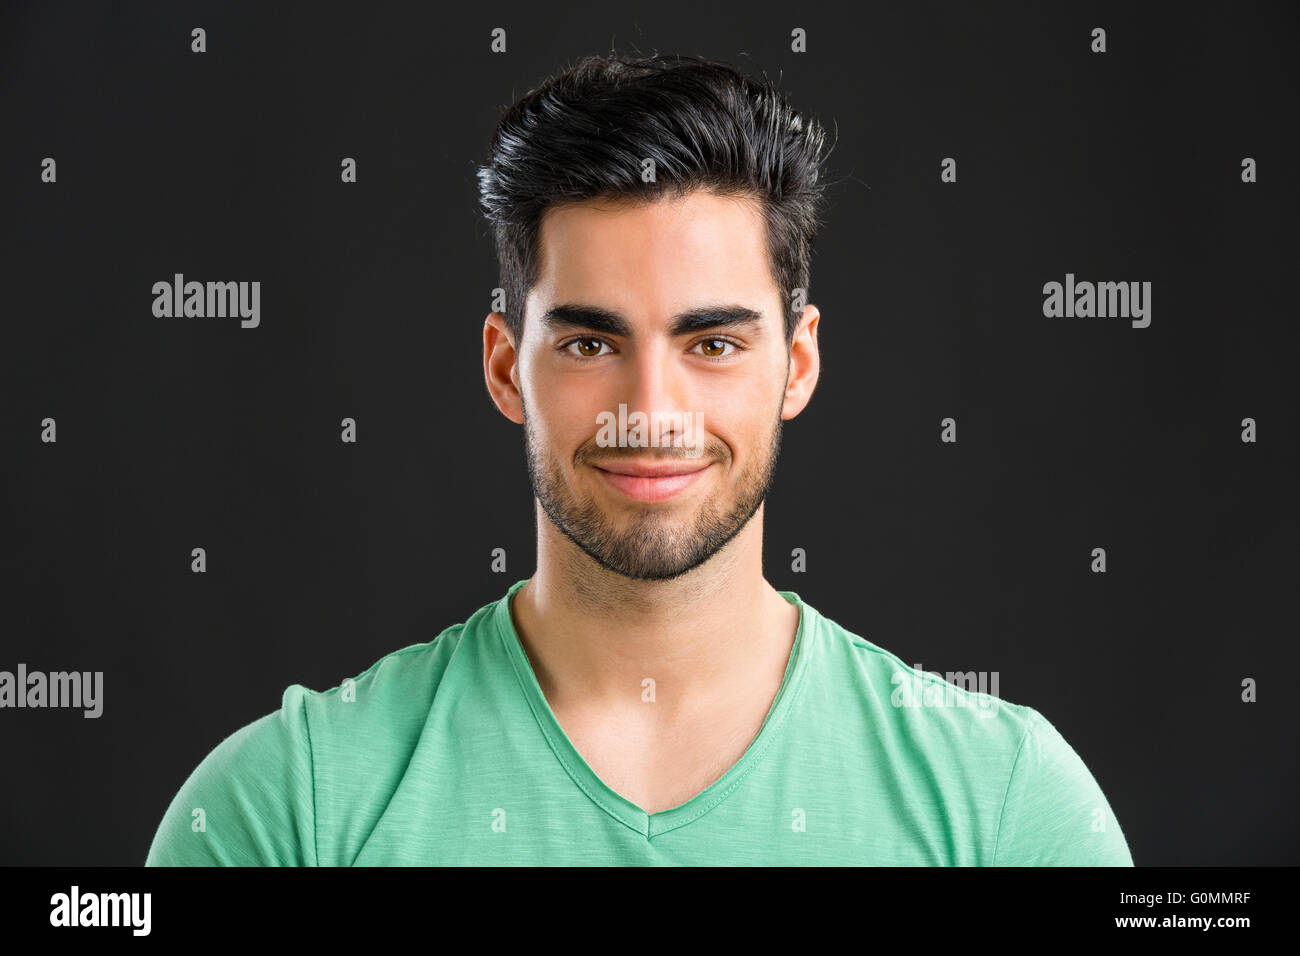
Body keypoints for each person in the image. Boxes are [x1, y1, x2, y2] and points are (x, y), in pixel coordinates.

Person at [146, 52, 1133, 865]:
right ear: (504, 366)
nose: (649, 413)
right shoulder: (290, 812)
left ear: (795, 364)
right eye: (588, 343)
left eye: (711, 343)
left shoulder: (1007, 809)